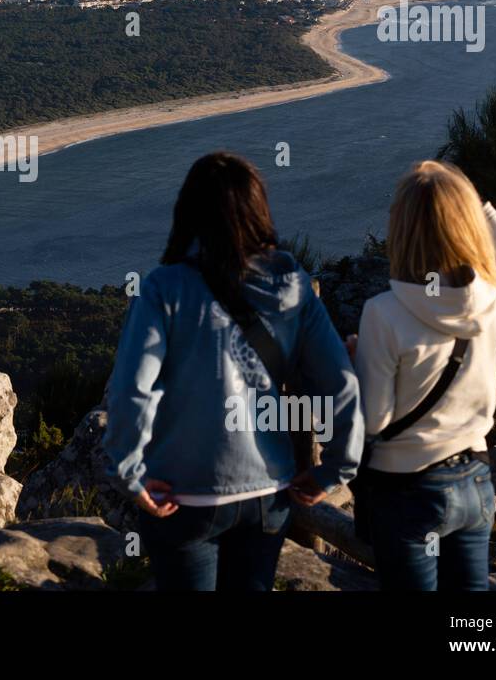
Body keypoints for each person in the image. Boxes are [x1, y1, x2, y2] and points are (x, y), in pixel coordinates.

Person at [103, 152, 364, 590]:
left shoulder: (164, 287)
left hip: (183, 497)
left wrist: (130, 475)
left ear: (187, 213)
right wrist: (334, 469)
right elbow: (339, 383)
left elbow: (133, 390)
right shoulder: (292, 284)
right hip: (267, 494)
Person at [352, 160, 496, 590]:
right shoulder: (494, 295)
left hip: (407, 491)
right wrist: (479, 210)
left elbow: (376, 419)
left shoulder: (383, 314)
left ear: (401, 229)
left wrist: (358, 363)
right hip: (474, 481)